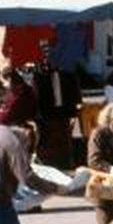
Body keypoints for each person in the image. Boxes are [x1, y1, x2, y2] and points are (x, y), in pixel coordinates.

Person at [33, 38, 82, 167]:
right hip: (46, 118)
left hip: (64, 115)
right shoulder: (38, 74)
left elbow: (75, 93)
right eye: (45, 53)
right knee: (47, 149)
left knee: (65, 146)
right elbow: (36, 96)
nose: (48, 57)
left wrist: (75, 112)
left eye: (50, 52)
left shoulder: (67, 71)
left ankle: (66, 165)